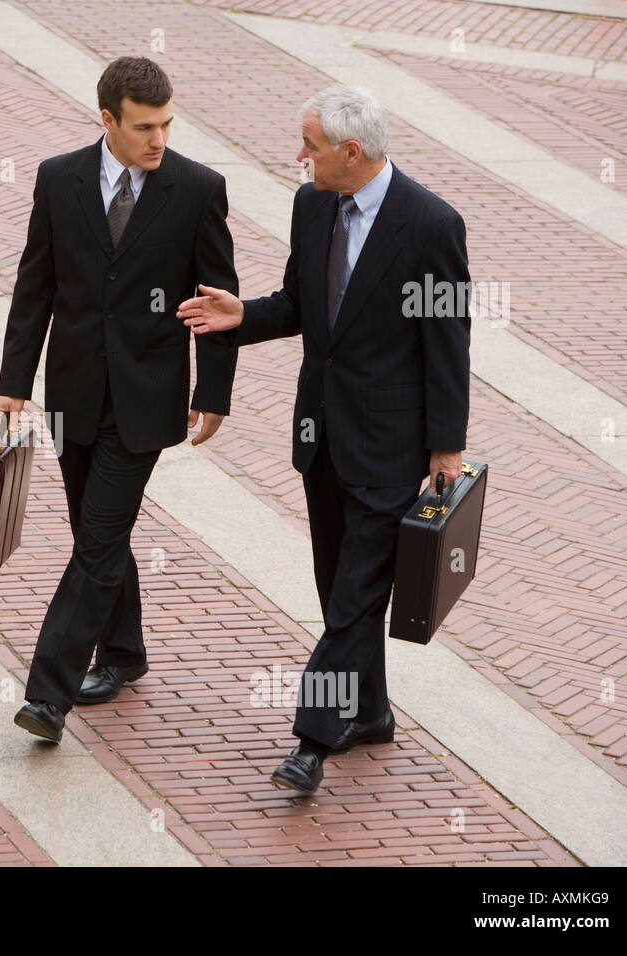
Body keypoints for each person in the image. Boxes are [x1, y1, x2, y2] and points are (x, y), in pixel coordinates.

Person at [177, 84, 470, 794]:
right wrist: (239, 315)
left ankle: (313, 737)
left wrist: (446, 446)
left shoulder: (431, 223)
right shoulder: (313, 205)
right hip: (322, 440)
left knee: (354, 596)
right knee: (342, 590)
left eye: (308, 144)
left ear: (350, 151)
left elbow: (449, 339)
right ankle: (369, 711)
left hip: (391, 448)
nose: (298, 155)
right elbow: (304, 308)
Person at [0, 56, 239, 742]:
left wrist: (212, 390)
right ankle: (124, 652)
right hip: (71, 395)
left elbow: (215, 301)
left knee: (98, 538)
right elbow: (34, 288)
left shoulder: (197, 189)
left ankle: (48, 695)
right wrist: (14, 386)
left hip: (146, 401)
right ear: (108, 121)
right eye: (144, 127)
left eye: (166, 124)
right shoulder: (57, 178)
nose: (159, 139)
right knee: (96, 535)